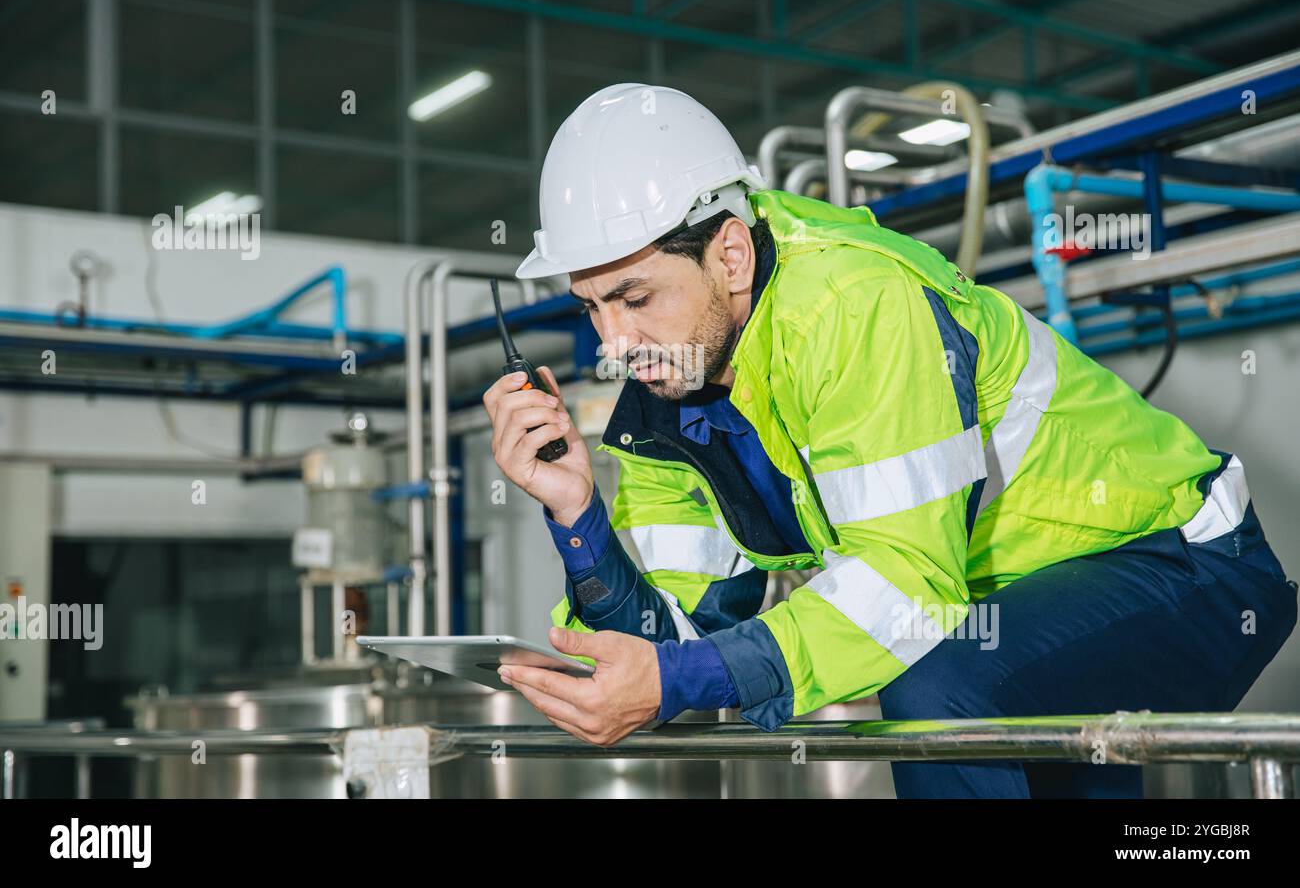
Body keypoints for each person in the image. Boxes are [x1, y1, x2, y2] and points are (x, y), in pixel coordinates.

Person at [481, 82, 1297, 797]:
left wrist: (680, 679)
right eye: (591, 308)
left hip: (1183, 562)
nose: (612, 344)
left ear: (730, 253)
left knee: (936, 691)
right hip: (1013, 612)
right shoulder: (671, 398)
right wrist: (579, 516)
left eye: (633, 298)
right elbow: (671, 641)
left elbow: (907, 590)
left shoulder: (851, 306)